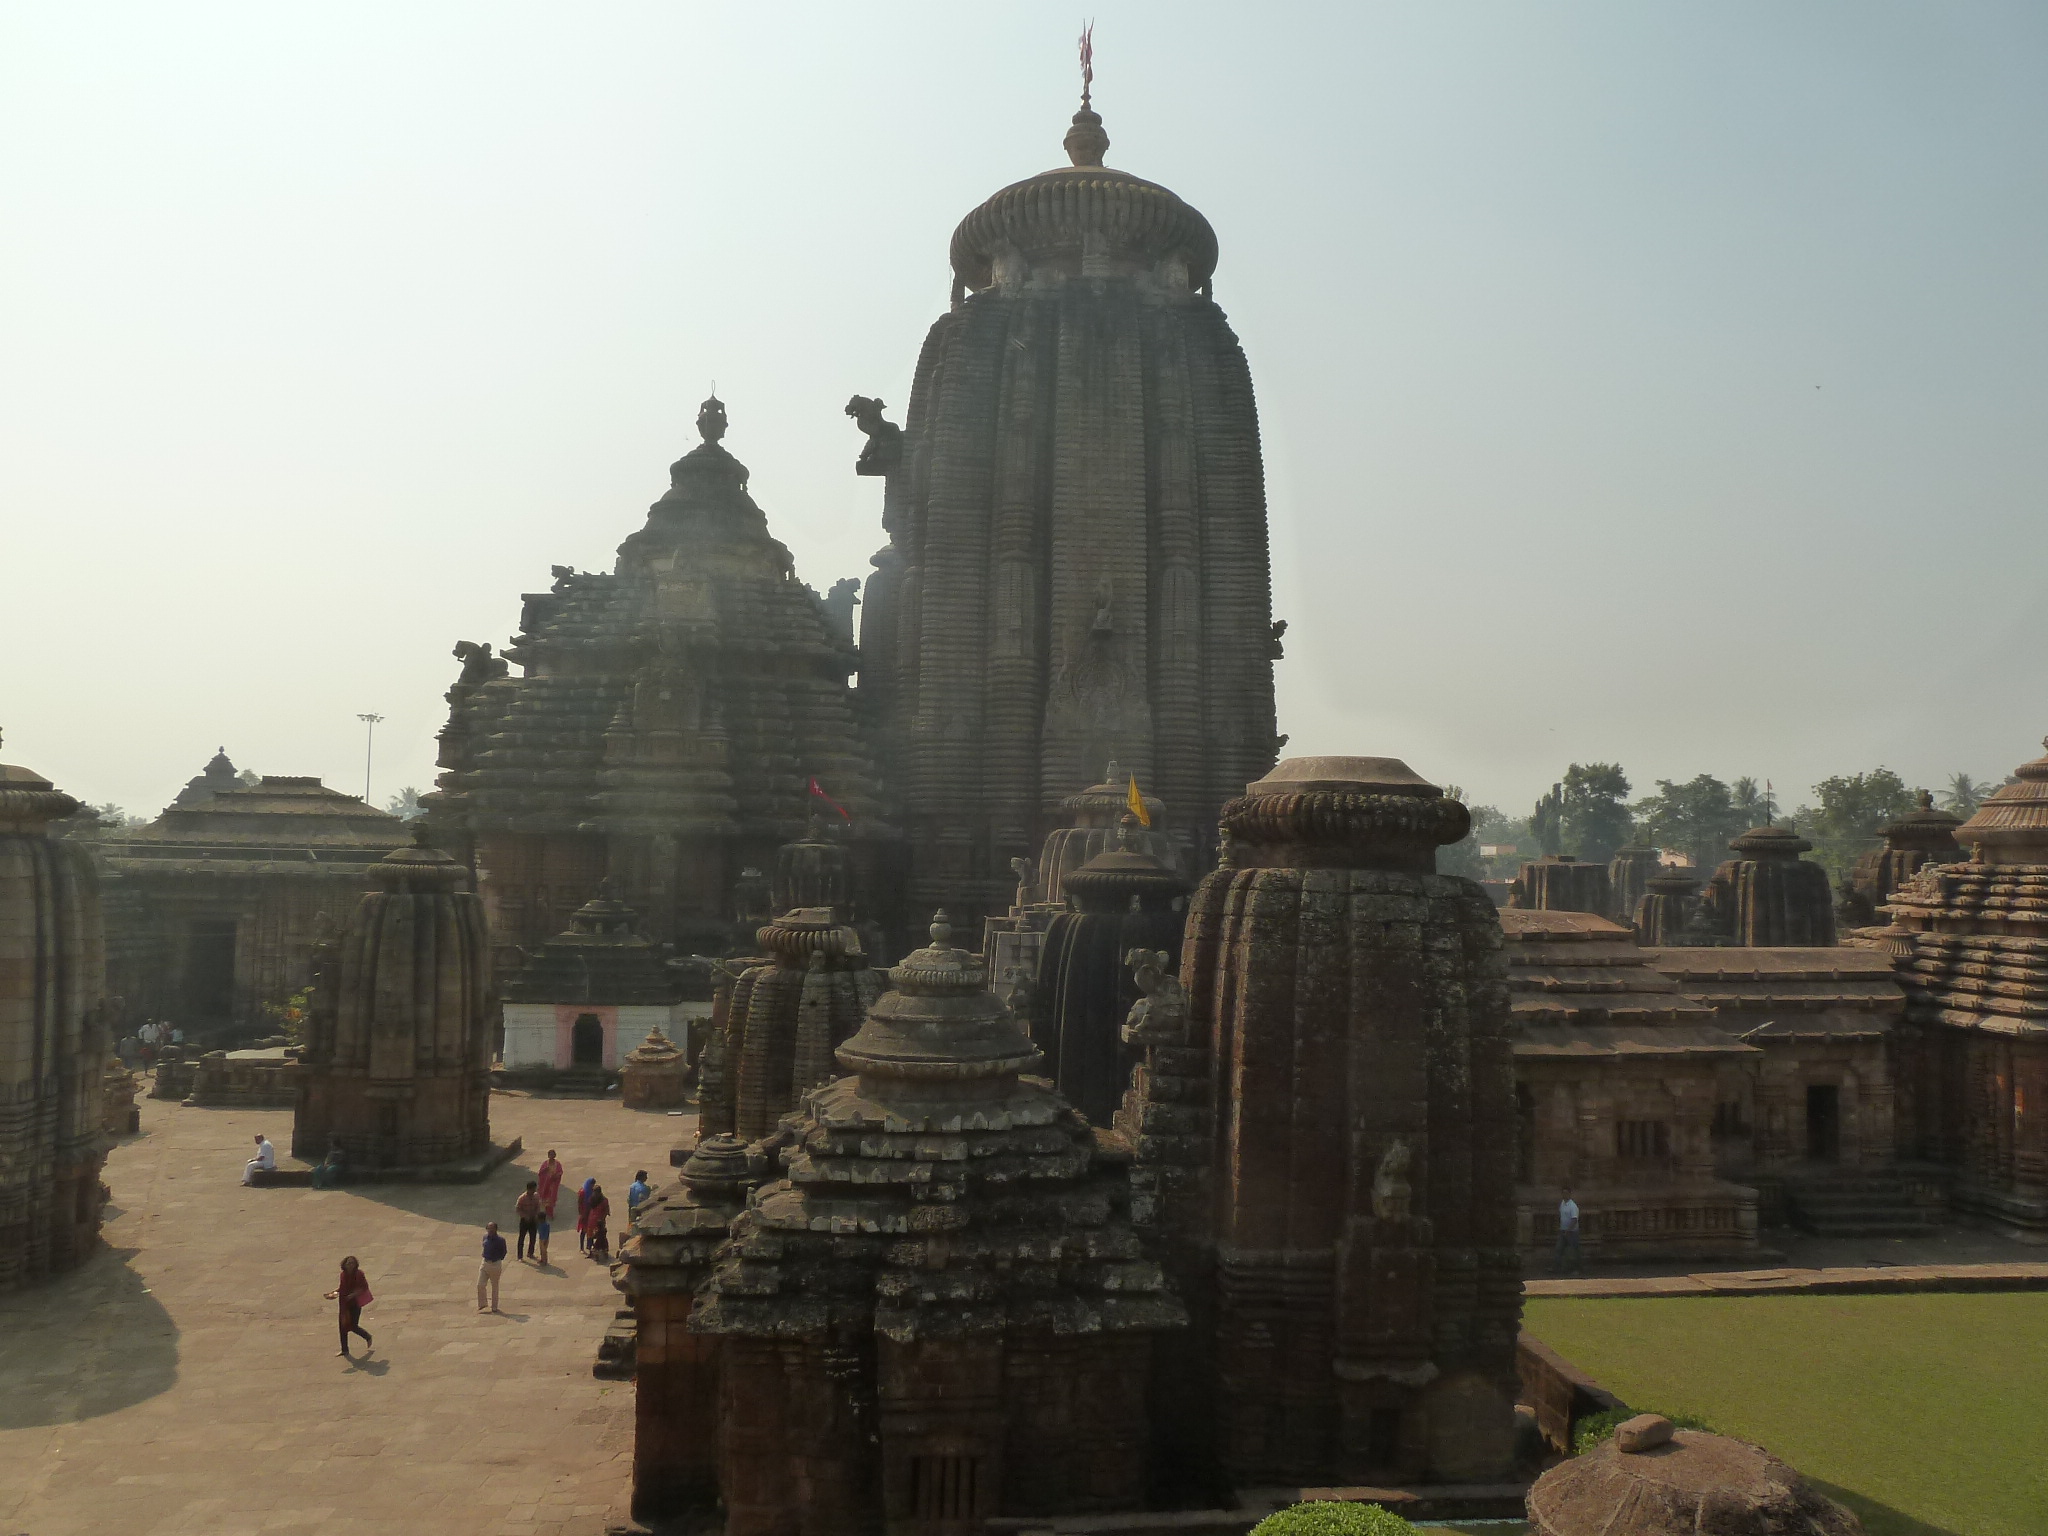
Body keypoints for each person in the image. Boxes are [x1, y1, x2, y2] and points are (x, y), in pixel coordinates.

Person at [325, 1255, 373, 1358]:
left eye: (352, 1263)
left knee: (353, 1326)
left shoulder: (359, 1274)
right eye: (348, 1263)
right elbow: (342, 1287)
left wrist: (353, 1295)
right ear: (345, 1264)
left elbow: (364, 1287)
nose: (350, 1265)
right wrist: (334, 1293)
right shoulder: (343, 1275)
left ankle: (367, 1336)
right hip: (344, 1304)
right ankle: (344, 1350)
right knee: (342, 1327)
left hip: (355, 1303)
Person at [477, 1221, 508, 1312]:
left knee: (494, 1286)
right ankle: (482, 1304)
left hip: (495, 1264)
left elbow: (504, 1251)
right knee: (480, 1284)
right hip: (485, 1263)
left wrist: (498, 1259)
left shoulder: (500, 1240)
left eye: (492, 1228)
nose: (490, 1230)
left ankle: (494, 1307)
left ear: (496, 1229)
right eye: (488, 1228)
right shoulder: (485, 1237)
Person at [1554, 1187, 1583, 1275]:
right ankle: (1557, 1268)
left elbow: (1574, 1219)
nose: (1564, 1195)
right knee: (1559, 1249)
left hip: (1572, 1232)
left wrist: (1569, 1230)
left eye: (1566, 1193)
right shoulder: (1562, 1204)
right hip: (1563, 1230)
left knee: (1573, 1251)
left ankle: (1576, 1269)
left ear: (1569, 1194)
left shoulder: (1572, 1206)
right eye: (1563, 1193)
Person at [515, 1181, 541, 1261]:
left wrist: (536, 1215)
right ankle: (520, 1256)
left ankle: (530, 1253)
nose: (534, 1191)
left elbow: (538, 1206)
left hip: (533, 1219)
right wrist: (524, 1216)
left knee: (533, 1237)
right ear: (528, 1189)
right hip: (524, 1220)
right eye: (533, 1189)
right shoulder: (522, 1198)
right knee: (521, 1238)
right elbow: (518, 1209)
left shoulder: (536, 1196)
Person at [536, 1149, 564, 1223]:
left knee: (551, 1199)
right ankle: (545, 1213)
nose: (552, 1156)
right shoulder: (545, 1164)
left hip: (553, 1185)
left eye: (553, 1154)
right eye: (550, 1155)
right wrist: (545, 1170)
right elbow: (540, 1173)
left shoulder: (557, 1164)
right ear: (548, 1155)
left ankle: (550, 1214)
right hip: (545, 1185)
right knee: (544, 1199)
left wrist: (556, 1176)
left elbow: (560, 1172)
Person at [586, 1184, 612, 1261]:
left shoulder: (604, 1200)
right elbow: (588, 1209)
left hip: (599, 1222)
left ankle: (603, 1250)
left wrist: (602, 1219)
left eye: (596, 1192)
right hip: (591, 1221)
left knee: (601, 1236)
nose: (594, 1194)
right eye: (594, 1192)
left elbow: (606, 1210)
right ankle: (591, 1251)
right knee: (590, 1236)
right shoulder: (591, 1199)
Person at [575, 1177, 596, 1254]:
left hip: (590, 1213)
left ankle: (591, 1245)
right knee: (583, 1230)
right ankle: (581, 1247)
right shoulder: (582, 1192)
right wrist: (581, 1213)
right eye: (592, 1184)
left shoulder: (593, 1191)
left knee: (591, 1230)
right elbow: (579, 1203)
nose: (592, 1186)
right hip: (584, 1213)